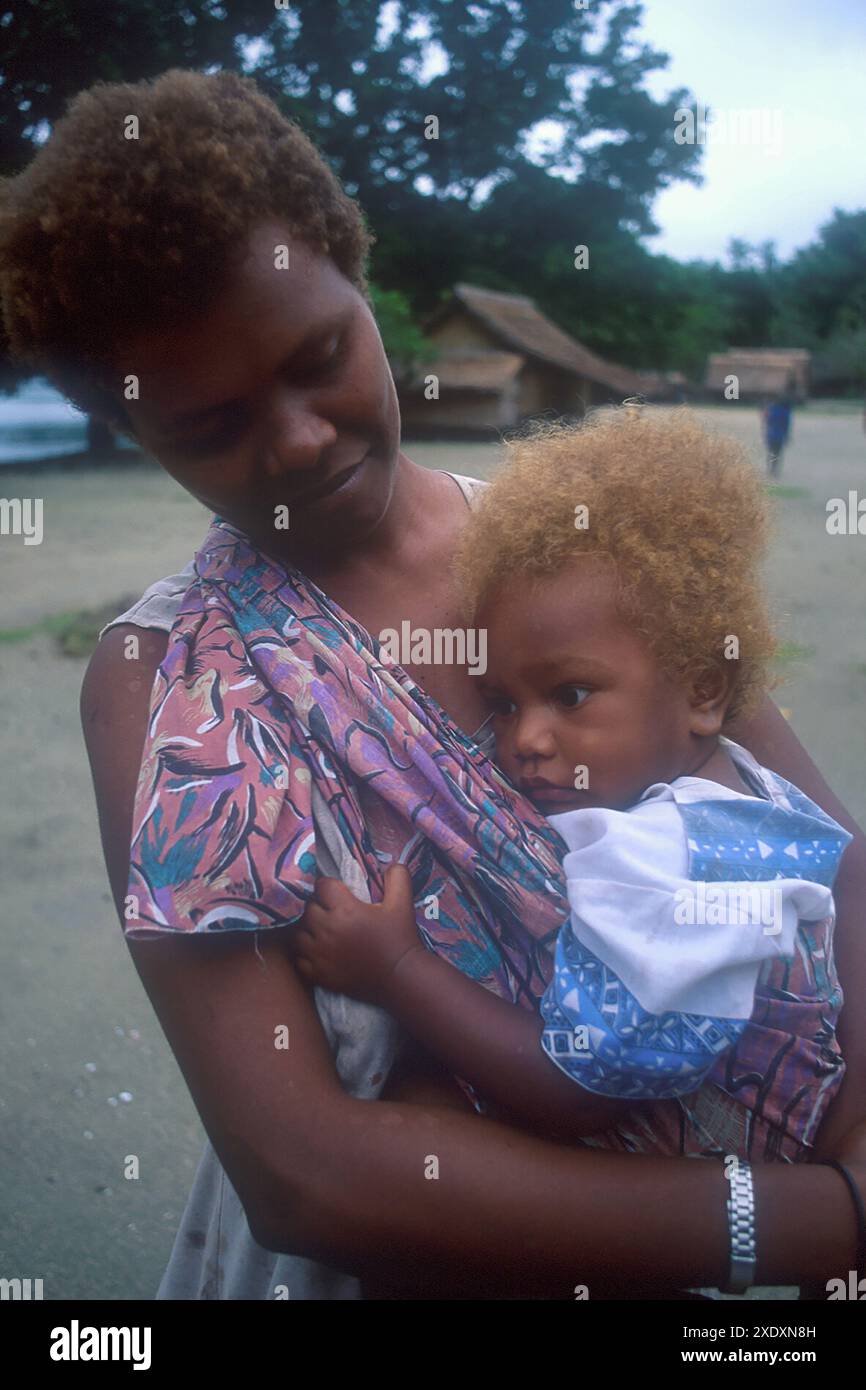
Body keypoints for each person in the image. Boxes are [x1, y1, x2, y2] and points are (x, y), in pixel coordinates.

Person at [3, 68, 866, 1300]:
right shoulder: (169, 684)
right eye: (211, 423)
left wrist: (854, 1143)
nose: (299, 436)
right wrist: (807, 1221)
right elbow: (301, 1169)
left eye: (322, 352)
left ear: (359, 275)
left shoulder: (583, 554)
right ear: (134, 430)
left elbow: (823, 857)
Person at [294, 409, 851, 1159]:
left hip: (686, 1184)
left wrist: (396, 970)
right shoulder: (748, 795)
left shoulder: (667, 861)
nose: (526, 740)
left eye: (572, 695)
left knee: (415, 1111)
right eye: (502, 703)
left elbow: (577, 1089)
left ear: (703, 694)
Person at [762, 389, 794, 477]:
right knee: (777, 453)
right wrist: (787, 437)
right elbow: (786, 426)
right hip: (780, 436)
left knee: (770, 453)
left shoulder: (772, 409)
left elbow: (766, 420)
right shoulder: (786, 412)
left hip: (770, 434)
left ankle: (770, 470)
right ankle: (774, 470)